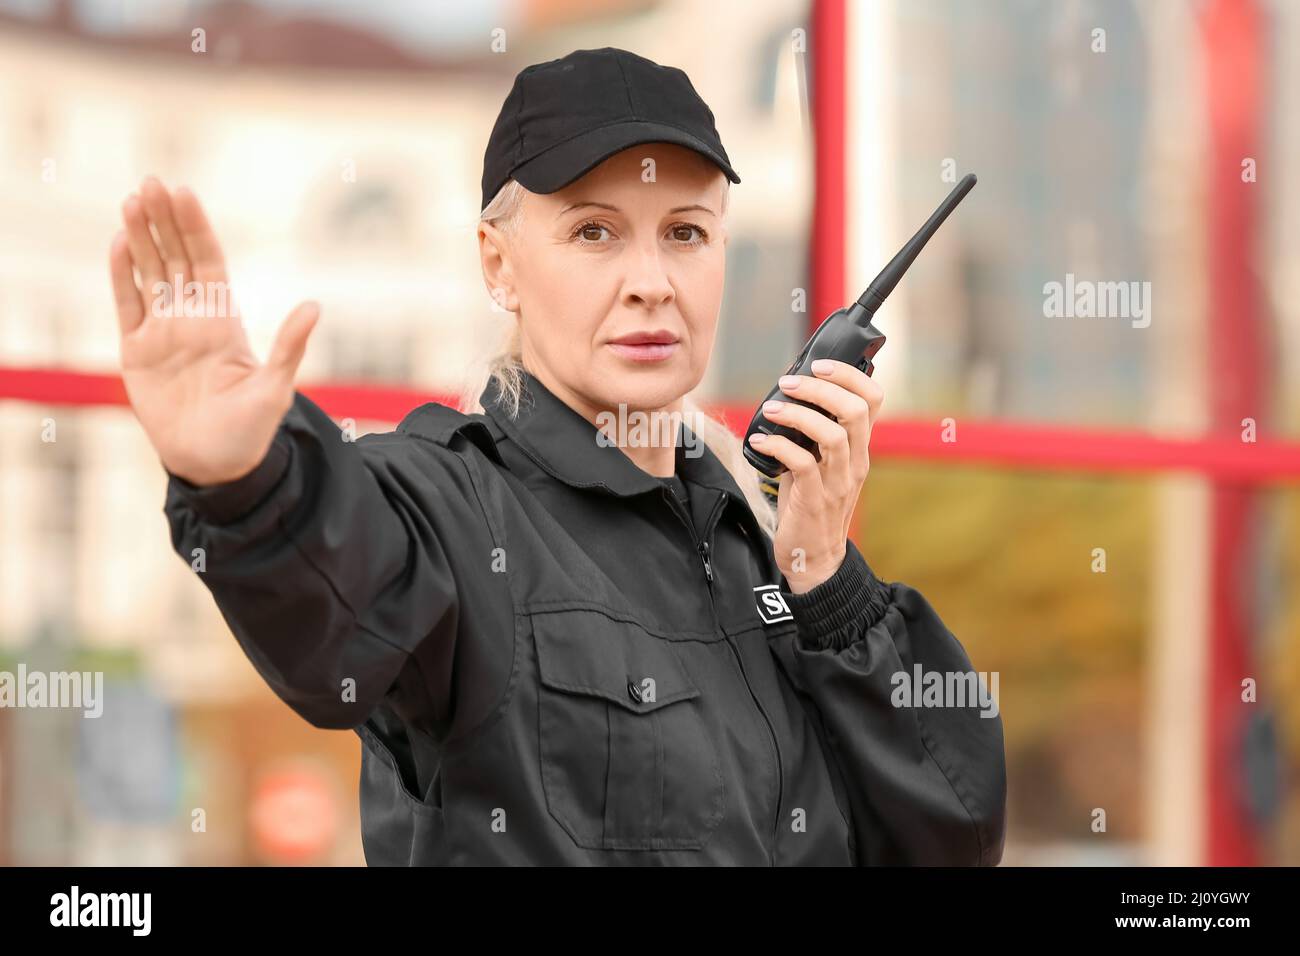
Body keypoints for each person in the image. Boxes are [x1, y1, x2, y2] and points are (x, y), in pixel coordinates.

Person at [107, 46, 1006, 865]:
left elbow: (955, 840)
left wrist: (830, 584)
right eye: (594, 232)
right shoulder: (456, 503)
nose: (651, 281)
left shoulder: (763, 548)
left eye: (685, 233)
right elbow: (333, 597)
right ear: (498, 265)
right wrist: (250, 483)